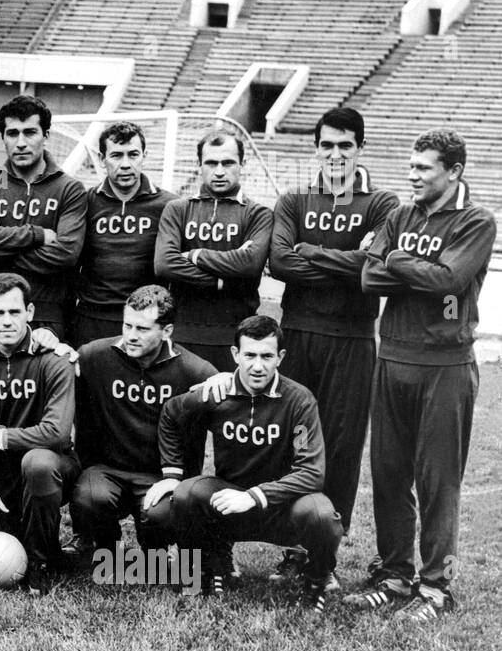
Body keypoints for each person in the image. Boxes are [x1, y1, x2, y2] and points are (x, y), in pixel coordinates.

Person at [349, 129, 496, 621]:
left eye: (423, 168)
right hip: (392, 358)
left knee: (437, 483)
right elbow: (369, 279)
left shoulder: (476, 221)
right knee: (388, 475)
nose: (411, 175)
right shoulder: (399, 215)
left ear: (453, 171)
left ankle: (435, 588)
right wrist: (411, 267)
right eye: (410, 166)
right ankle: (393, 576)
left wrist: (391, 257)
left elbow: (449, 280)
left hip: (445, 366)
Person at [267, 107, 398, 580]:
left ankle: (324, 555)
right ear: (315, 148)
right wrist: (346, 262)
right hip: (298, 334)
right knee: (292, 442)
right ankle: (293, 545)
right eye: (328, 145)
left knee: (341, 449)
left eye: (346, 145)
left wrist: (310, 251)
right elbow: (279, 261)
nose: (336, 154)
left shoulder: (384, 204)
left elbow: (373, 270)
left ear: (360, 147)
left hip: (353, 340)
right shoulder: (295, 199)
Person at [148, 315, 340, 611]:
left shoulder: (299, 400)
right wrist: (172, 473)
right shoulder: (216, 392)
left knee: (321, 513)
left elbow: (312, 473)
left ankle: (316, 580)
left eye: (267, 356)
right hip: (228, 502)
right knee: (186, 493)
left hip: (280, 506)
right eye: (249, 355)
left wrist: (253, 497)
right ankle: (207, 568)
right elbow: (171, 415)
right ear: (235, 354)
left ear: (281, 357)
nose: (258, 365)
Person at [0, 273, 79, 593]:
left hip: (48, 468)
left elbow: (57, 433)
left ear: (30, 312)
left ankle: (40, 561)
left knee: (38, 463)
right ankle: (14, 529)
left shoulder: (53, 360)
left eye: (15, 312)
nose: (7, 321)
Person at [69, 285, 217, 562]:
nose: (131, 336)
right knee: (90, 498)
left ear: (167, 331)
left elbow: (231, 411)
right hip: (107, 470)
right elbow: (57, 368)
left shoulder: (195, 370)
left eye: (143, 329)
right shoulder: (94, 356)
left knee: (159, 514)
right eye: (127, 325)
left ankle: (155, 555)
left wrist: (226, 382)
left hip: (159, 476)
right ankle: (105, 548)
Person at [0, 95, 87, 338]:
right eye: (12, 133)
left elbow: (66, 253)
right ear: (3, 138)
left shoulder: (68, 188)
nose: (21, 142)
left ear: (47, 135)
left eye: (30, 132)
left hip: (46, 315)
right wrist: (38, 235)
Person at [154, 129, 272, 371]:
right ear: (199, 165)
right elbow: (165, 264)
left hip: (238, 335)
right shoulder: (177, 209)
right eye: (211, 163)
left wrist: (196, 255)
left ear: (243, 164)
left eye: (228, 163)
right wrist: (225, 280)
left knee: (229, 407)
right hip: (183, 331)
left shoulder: (258, 213)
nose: (219, 171)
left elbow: (250, 264)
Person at [74, 121, 176, 345]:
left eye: (133, 154)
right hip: (92, 317)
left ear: (144, 156)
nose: (126, 164)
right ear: (102, 159)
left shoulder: (169, 205)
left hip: (145, 320)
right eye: (117, 156)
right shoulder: (85, 201)